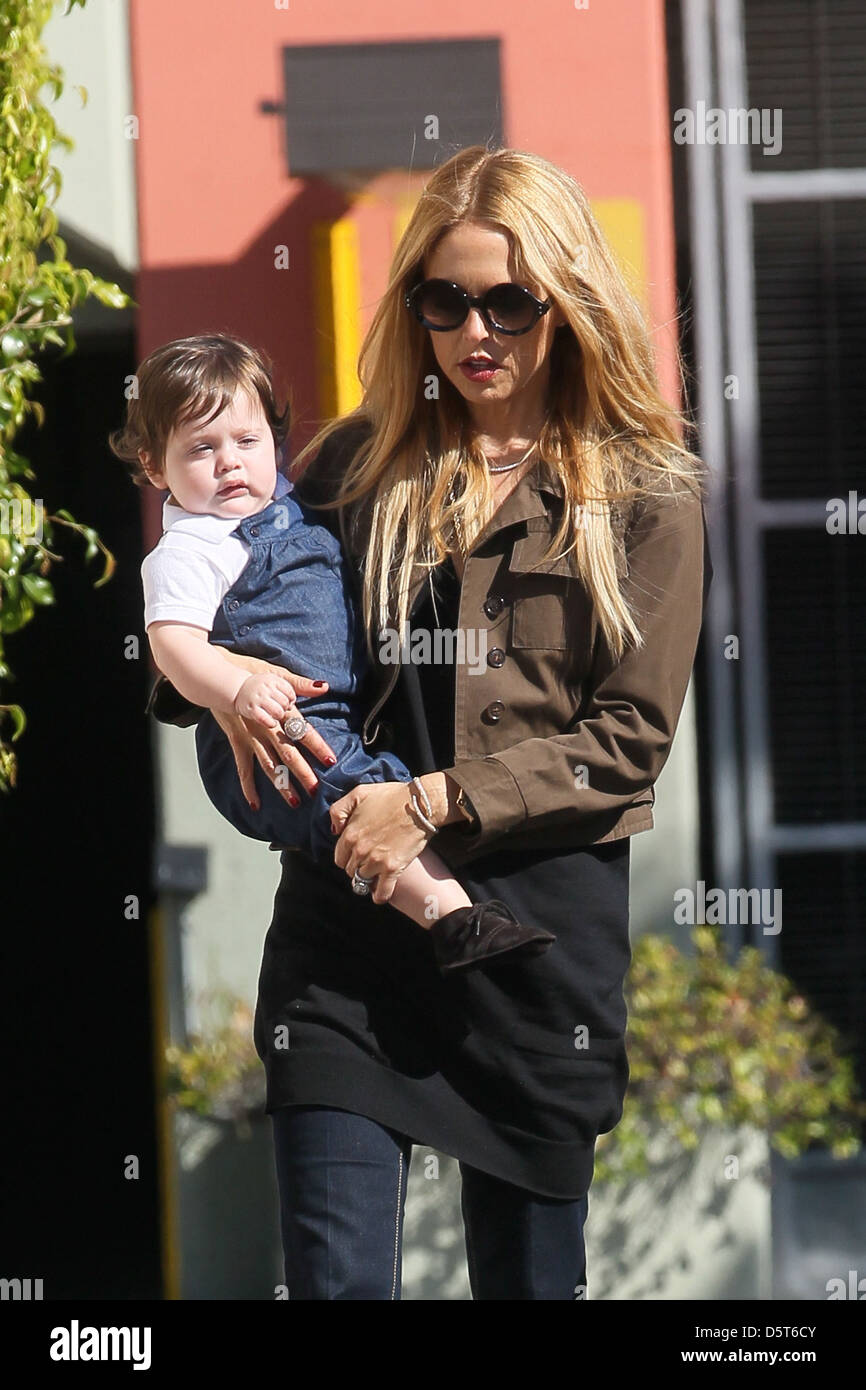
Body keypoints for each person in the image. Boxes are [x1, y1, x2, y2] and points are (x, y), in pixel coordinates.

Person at [147, 144, 712, 1300]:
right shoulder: (358, 465)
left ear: (566, 302)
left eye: (508, 301)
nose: (475, 332)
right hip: (347, 939)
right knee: (338, 1282)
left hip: (529, 951)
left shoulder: (647, 493)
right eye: (444, 301)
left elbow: (625, 742)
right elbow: (250, 621)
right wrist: (223, 690)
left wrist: (436, 803)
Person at [111, 334, 554, 973]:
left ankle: (441, 915)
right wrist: (235, 690)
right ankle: (454, 920)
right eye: (201, 449)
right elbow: (172, 645)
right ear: (156, 468)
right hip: (278, 739)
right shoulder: (191, 551)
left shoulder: (293, 505)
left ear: (276, 439)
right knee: (355, 799)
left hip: (338, 717)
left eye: (247, 441)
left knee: (382, 795)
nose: (229, 463)